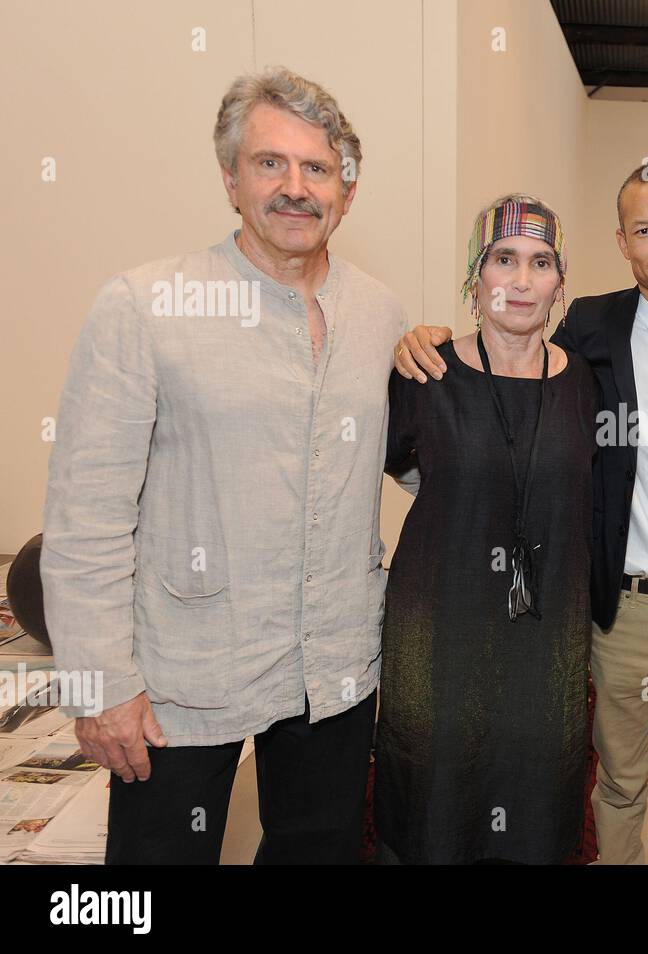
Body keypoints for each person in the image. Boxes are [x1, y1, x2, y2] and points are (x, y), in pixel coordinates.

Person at [395, 158, 648, 864]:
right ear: (622, 242)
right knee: (615, 781)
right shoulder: (588, 327)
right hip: (619, 604)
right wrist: (424, 338)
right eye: (644, 230)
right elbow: (509, 360)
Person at [41, 67, 405, 864]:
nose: (296, 187)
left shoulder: (379, 313)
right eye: (271, 163)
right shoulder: (146, 306)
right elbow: (85, 516)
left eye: (318, 168)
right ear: (230, 179)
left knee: (319, 851)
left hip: (332, 665)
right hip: (182, 671)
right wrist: (100, 684)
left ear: (347, 189)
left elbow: (417, 455)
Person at [374, 194, 597, 864]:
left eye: (541, 262)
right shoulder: (426, 371)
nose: (522, 280)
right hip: (440, 625)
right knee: (436, 797)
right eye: (504, 259)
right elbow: (391, 466)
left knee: (534, 792)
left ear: (561, 282)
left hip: (545, 633)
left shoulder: (585, 383)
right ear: (476, 277)